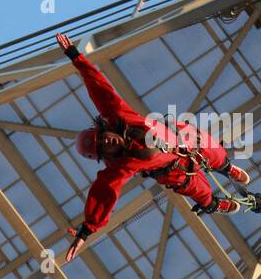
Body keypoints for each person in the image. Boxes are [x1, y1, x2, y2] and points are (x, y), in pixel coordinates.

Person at [56, 32, 250, 261]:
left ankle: (227, 169)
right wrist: (87, 230)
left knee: (213, 151)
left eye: (103, 136)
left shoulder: (119, 116)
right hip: (175, 171)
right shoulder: (120, 167)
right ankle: (215, 204)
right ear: (103, 155)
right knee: (202, 193)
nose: (107, 141)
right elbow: (103, 193)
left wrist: (75, 56)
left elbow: (98, 87)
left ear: (104, 128)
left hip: (182, 140)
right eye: (103, 146)